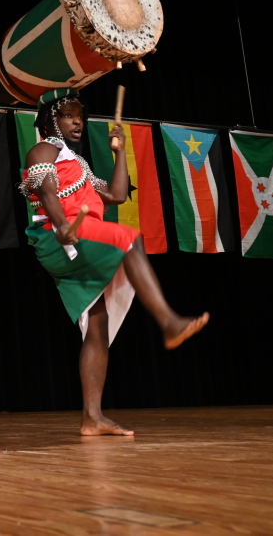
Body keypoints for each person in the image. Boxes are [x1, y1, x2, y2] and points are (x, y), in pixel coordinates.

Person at [21, 88, 209, 436]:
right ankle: (168, 322)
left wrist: (119, 153)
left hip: (80, 236)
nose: (78, 120)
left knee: (97, 323)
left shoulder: (76, 162)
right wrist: (62, 224)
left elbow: (117, 194)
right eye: (69, 114)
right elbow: (46, 191)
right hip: (60, 236)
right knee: (130, 238)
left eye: (81, 114)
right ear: (51, 119)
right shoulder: (43, 149)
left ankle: (91, 418)